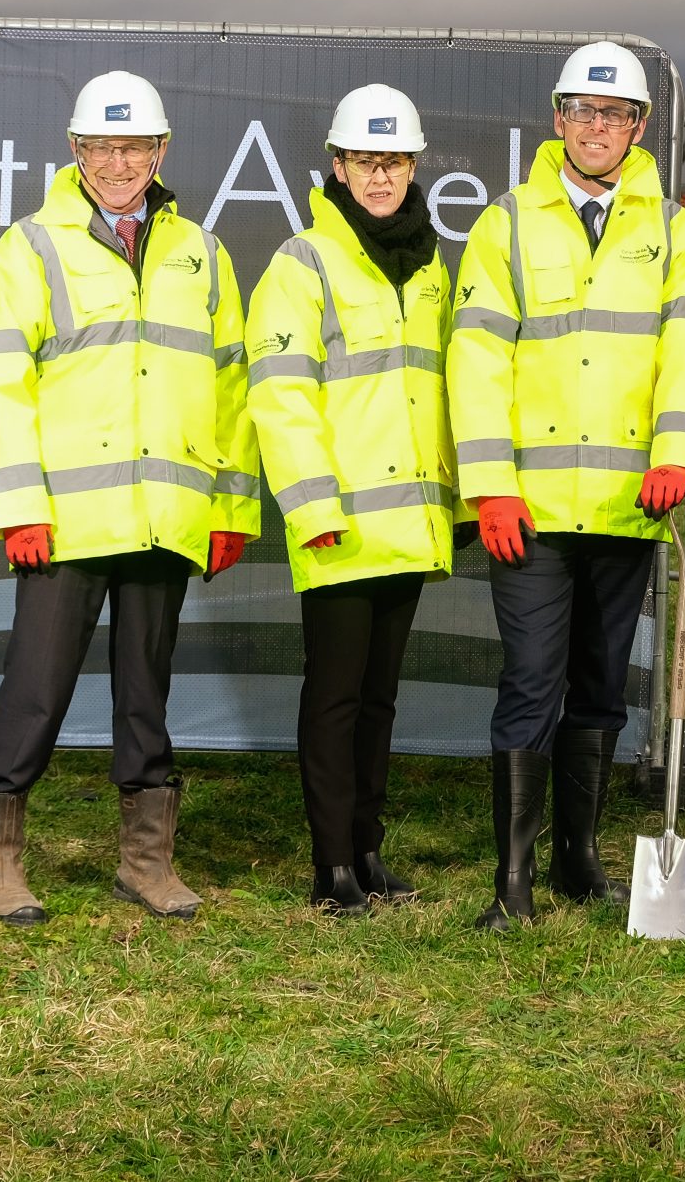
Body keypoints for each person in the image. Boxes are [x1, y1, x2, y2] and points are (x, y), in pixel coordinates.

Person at [0, 69, 260, 924]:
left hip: (167, 516)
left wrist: (232, 508)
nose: (118, 162)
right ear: (75, 151)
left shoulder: (200, 251)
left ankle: (145, 861)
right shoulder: (31, 247)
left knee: (146, 693)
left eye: (134, 146)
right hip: (65, 519)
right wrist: (20, 503)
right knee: (36, 689)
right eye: (101, 146)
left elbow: (231, 387)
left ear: (161, 150)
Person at [447, 41, 685, 931]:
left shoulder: (674, 231)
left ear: (641, 126)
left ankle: (578, 855)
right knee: (531, 680)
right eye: (582, 111)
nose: (598, 127)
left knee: (601, 684)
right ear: (557, 119)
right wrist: (489, 485)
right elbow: (476, 354)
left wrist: (676, 451)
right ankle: (511, 880)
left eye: (616, 114)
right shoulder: (506, 223)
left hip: (629, 504)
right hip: (530, 510)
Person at [247, 85, 456, 914]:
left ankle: (369, 852)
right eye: (367, 162)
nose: (381, 176)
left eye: (395, 161)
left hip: (406, 519)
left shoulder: (429, 260)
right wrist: (314, 508)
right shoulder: (304, 261)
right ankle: (330, 865)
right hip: (337, 524)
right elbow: (280, 394)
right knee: (333, 695)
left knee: (379, 696)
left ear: (412, 166)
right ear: (337, 166)